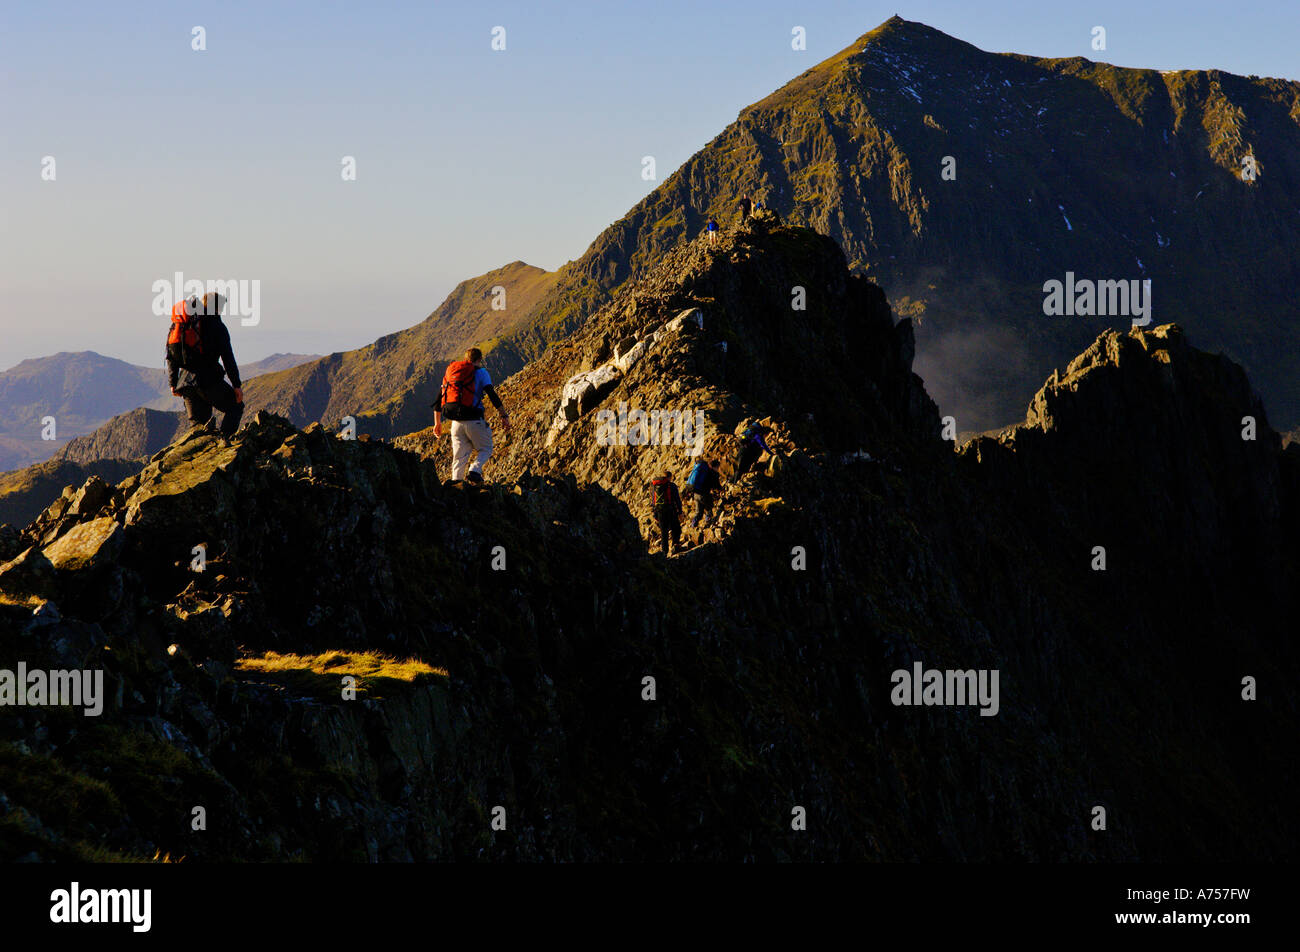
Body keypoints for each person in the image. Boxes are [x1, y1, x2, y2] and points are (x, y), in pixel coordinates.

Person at [166, 291, 244, 438]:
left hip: (185, 384)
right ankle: (223, 443)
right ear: (218, 307)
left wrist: (173, 382)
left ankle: (202, 455)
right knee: (235, 407)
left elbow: (170, 354)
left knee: (199, 429)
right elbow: (228, 357)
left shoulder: (183, 324)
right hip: (208, 380)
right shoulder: (217, 325)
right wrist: (236, 385)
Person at [433, 347, 510, 483]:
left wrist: (437, 423)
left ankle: (456, 487)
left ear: (466, 359)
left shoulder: (453, 373)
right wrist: (503, 415)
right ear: (479, 359)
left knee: (459, 458)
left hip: (455, 423)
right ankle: (474, 470)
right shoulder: (481, 372)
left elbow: (439, 399)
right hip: (474, 420)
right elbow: (491, 394)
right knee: (486, 448)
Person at [650, 472, 683, 555]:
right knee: (676, 529)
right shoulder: (671, 486)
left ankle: (664, 553)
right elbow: (677, 500)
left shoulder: (654, 486)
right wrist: (680, 512)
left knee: (664, 532)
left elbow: (653, 501)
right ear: (669, 477)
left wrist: (655, 514)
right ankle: (675, 547)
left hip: (659, 512)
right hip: (670, 511)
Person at [686, 458, 721, 528]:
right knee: (709, 509)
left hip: (696, 494)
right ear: (715, 466)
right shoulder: (712, 473)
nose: (718, 469)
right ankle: (708, 523)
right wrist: (720, 489)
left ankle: (693, 524)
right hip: (704, 494)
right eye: (718, 467)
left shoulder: (702, 469)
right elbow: (716, 486)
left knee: (698, 512)